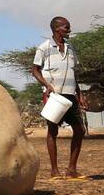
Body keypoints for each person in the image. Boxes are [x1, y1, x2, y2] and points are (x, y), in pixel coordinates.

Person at [31, 15, 86, 180]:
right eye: (66, 27)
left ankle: (71, 170)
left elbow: (74, 73)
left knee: (80, 130)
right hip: (54, 96)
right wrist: (46, 85)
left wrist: (80, 93)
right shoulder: (44, 48)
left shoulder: (71, 48)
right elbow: (34, 70)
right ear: (56, 29)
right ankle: (54, 171)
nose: (69, 30)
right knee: (52, 131)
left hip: (71, 95)